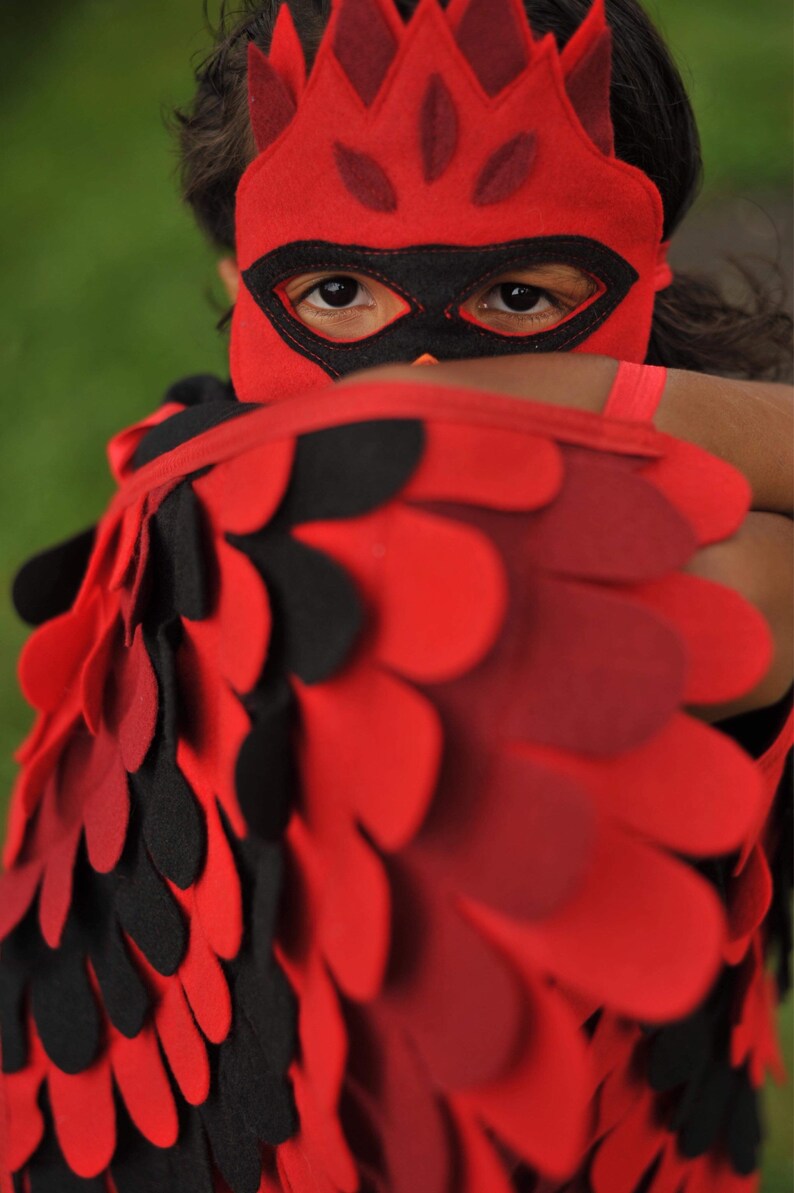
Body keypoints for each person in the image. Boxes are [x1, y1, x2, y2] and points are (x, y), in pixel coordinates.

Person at [0, 1, 791, 1192]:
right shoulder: (216, 545)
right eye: (334, 297)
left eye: (517, 299)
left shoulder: (724, 553)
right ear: (235, 278)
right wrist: (580, 403)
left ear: (641, 281)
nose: (419, 373)